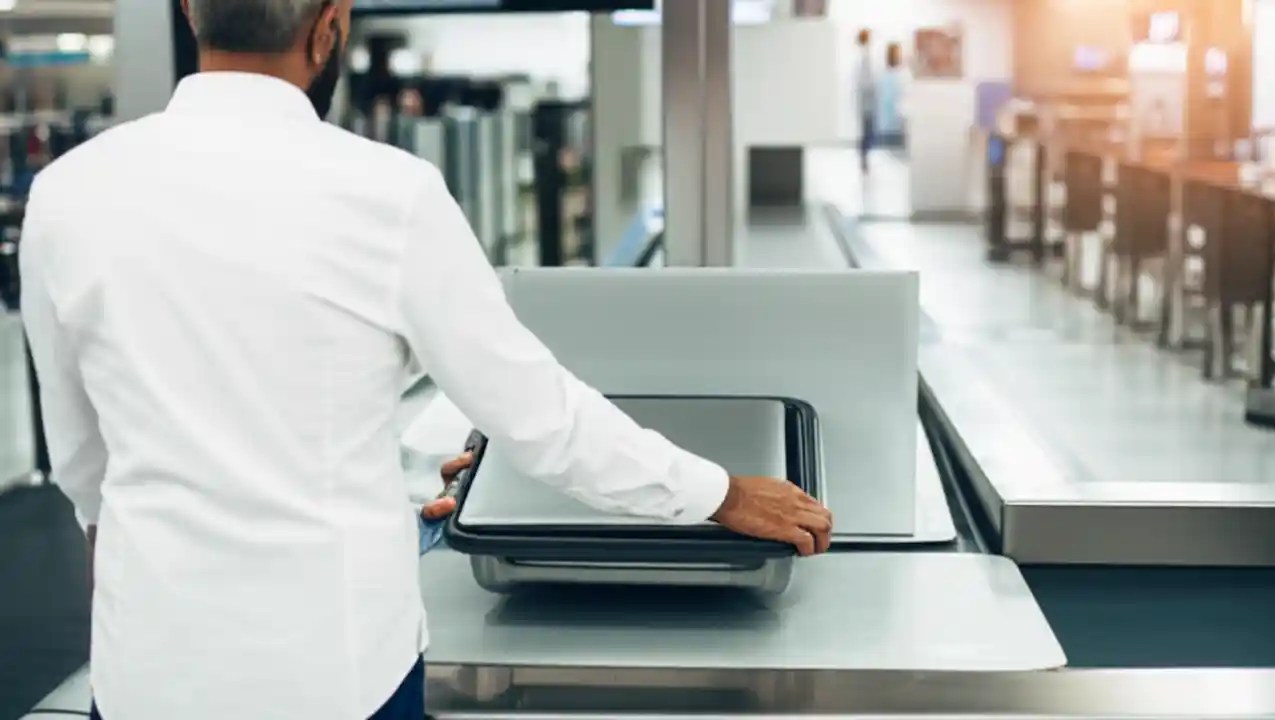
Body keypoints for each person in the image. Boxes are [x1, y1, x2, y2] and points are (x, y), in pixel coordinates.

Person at [18, 1, 834, 719]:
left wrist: (394, 487)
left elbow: (87, 462)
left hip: (145, 676)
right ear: (331, 25)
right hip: (332, 679)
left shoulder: (66, 192)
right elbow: (540, 419)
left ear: (192, 11)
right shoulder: (387, 193)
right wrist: (718, 492)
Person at [855, 28, 877, 173]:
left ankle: (864, 158)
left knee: (866, 131)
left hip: (865, 99)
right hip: (866, 99)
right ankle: (864, 159)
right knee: (867, 131)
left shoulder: (864, 56)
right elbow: (866, 82)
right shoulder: (865, 57)